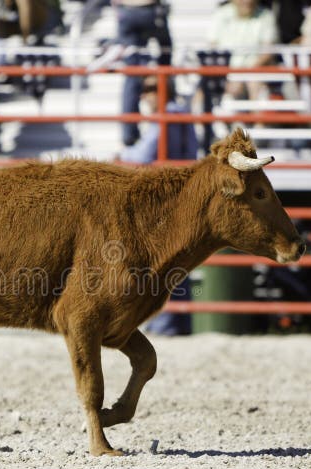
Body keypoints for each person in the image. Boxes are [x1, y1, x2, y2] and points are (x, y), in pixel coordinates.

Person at [120, 76, 197, 336]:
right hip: (183, 196)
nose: (144, 96)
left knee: (159, 262)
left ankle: (163, 323)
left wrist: (122, 156)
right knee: (179, 260)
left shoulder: (165, 119)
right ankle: (178, 320)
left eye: (149, 89)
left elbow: (144, 155)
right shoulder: (183, 115)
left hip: (164, 200)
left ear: (162, 91)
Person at [112, 0, 171, 148]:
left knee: (132, 75)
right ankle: (169, 127)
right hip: (149, 11)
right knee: (165, 67)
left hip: (126, 11)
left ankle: (129, 134)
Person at [208, 0, 278, 101]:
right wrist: (226, 75)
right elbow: (213, 49)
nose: (247, 1)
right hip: (226, 72)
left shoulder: (266, 16)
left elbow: (267, 52)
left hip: (255, 70)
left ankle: (256, 111)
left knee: (255, 84)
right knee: (204, 91)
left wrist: (245, 72)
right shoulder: (221, 14)